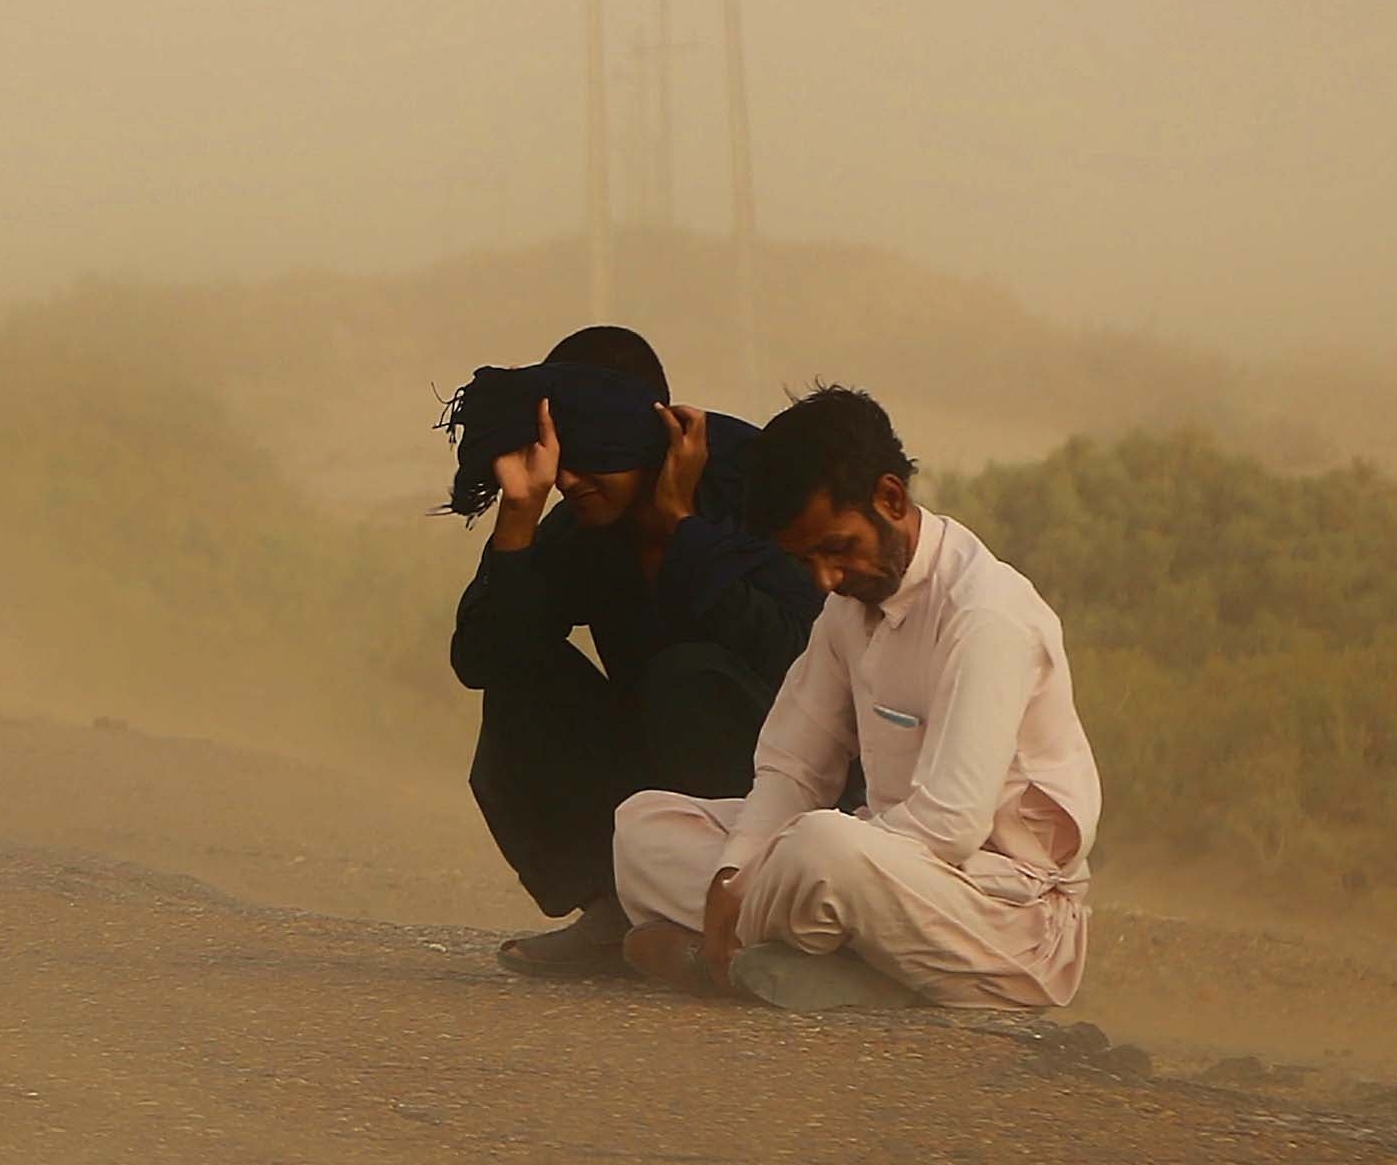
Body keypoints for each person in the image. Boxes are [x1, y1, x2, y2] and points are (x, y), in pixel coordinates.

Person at [608, 385, 1103, 1011]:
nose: (824, 579)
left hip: (1004, 917)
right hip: (881, 871)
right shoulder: (848, 608)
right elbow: (794, 765)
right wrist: (732, 874)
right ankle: (800, 965)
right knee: (642, 829)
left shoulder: (984, 615)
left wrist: (775, 869)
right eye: (806, 559)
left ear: (890, 498)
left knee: (822, 848)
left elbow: (949, 828)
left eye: (837, 549)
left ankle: (734, 958)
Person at [444, 327, 832, 979]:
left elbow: (802, 655)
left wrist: (684, 535)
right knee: (524, 670)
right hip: (654, 781)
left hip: (788, 788)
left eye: (589, 452)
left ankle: (722, 913)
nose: (569, 477)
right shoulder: (586, 527)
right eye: (559, 451)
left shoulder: (753, 503)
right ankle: (614, 908)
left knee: (686, 676)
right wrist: (517, 514)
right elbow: (482, 659)